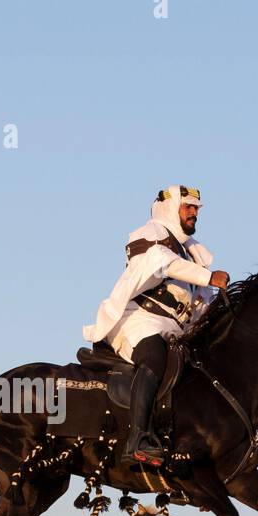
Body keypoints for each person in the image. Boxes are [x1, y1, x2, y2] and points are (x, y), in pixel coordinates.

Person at [83, 185, 229, 466]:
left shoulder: (191, 255)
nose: (194, 213)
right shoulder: (150, 233)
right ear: (168, 208)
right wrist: (207, 276)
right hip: (138, 319)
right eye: (188, 207)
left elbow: (201, 303)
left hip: (173, 328)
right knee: (154, 354)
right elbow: (157, 261)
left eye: (196, 208)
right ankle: (137, 440)